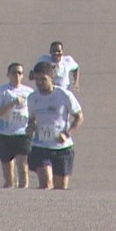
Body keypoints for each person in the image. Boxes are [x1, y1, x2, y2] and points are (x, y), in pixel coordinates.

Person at [26, 61, 83, 190]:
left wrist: (67, 133)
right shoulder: (32, 98)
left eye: (43, 79)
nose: (39, 82)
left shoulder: (64, 95)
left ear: (51, 77)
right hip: (41, 146)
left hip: (62, 147)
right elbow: (32, 119)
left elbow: (79, 117)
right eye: (37, 79)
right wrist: (30, 128)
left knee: (61, 187)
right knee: (46, 183)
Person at [0, 63, 34, 188]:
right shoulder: (2, 91)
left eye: (20, 73)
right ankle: (10, 196)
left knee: (23, 167)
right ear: (8, 75)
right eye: (14, 73)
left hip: (22, 134)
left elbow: (35, 112)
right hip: (4, 134)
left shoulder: (29, 92)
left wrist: (33, 126)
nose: (17, 75)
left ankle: (23, 194)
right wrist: (12, 104)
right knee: (8, 172)